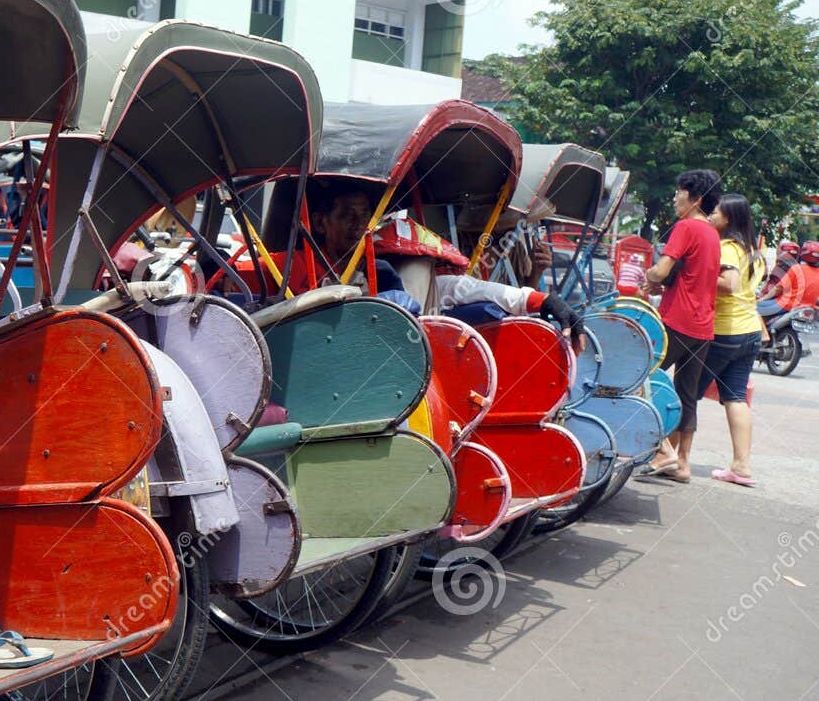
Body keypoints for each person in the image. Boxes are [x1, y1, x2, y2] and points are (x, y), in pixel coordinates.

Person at [286, 180, 582, 342]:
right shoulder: (289, 267)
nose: (359, 224)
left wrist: (542, 301)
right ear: (321, 223)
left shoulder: (386, 268)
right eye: (348, 215)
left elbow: (462, 288)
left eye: (365, 215)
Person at [641, 168, 723, 484]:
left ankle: (663, 452)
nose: (676, 197)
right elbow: (690, 278)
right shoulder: (712, 234)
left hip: (677, 321)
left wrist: (649, 278)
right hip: (703, 326)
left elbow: (662, 271)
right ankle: (683, 464)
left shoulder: (685, 226)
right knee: (687, 395)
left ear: (696, 198)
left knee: (640, 379)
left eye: (680, 192)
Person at [696, 193, 764, 488]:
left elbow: (730, 284)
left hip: (726, 330)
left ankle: (668, 454)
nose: (710, 215)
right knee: (735, 396)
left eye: (716, 212)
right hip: (751, 330)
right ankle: (741, 466)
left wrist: (695, 275)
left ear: (728, 219)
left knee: (687, 390)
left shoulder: (726, 248)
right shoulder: (753, 252)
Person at [757, 239, 819, 317]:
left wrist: (763, 298)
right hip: (807, 310)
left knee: (754, 308)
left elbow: (778, 288)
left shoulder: (797, 268)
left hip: (786, 305)